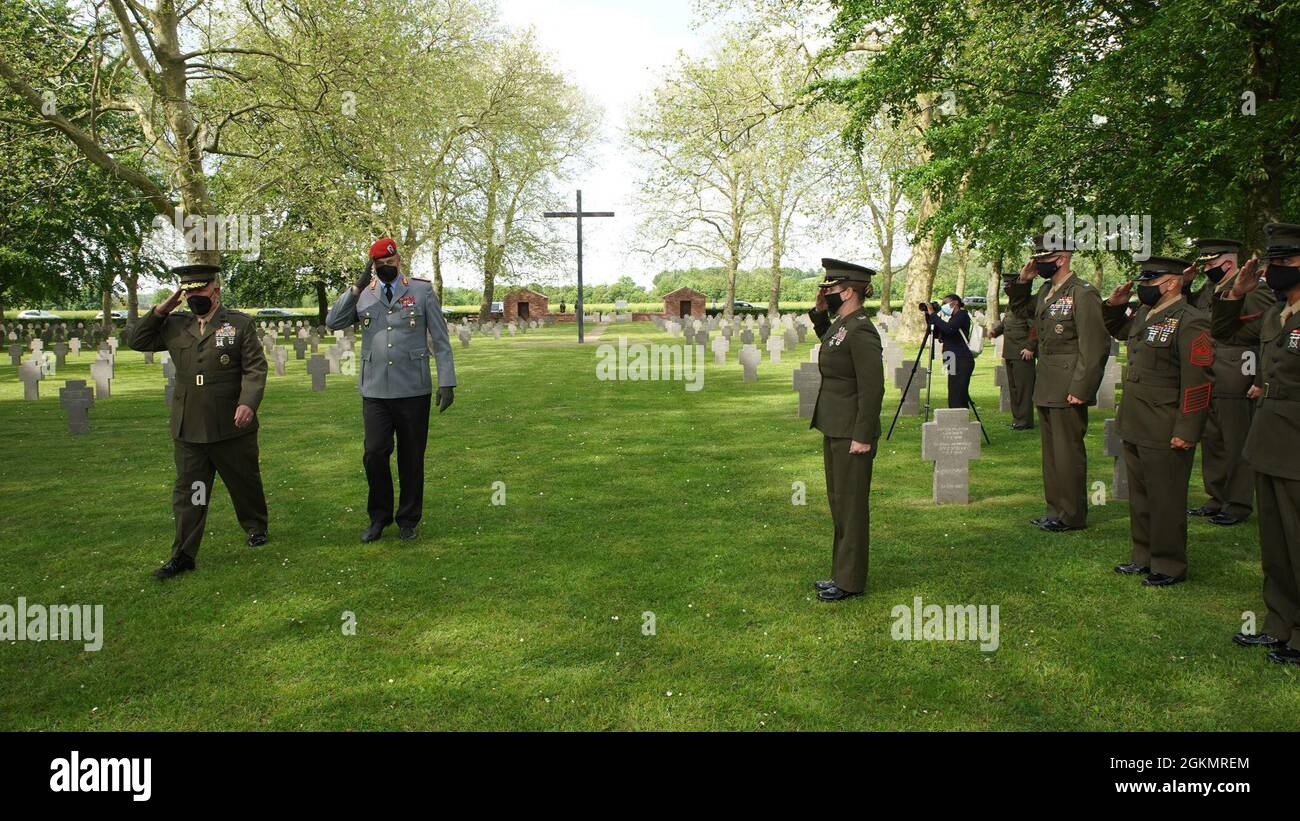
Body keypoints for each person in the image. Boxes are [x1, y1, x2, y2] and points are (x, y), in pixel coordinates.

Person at [127, 263, 269, 579]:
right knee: (192, 491)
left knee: (243, 481)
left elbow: (255, 369)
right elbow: (136, 340)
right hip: (190, 427)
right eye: (188, 291)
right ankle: (184, 555)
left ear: (215, 291)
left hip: (231, 425)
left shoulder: (238, 325)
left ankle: (255, 526)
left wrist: (248, 403)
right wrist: (161, 310)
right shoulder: (175, 325)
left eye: (199, 290)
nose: (193, 297)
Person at [326, 237, 456, 543]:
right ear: (373, 266)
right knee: (374, 453)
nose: (386, 268)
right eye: (379, 265)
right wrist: (356, 287)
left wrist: (447, 381)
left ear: (399, 261)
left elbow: (440, 340)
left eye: (390, 263)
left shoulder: (421, 291)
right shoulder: (364, 295)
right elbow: (333, 321)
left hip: (413, 389)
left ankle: (408, 519)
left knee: (411, 457)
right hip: (375, 391)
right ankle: (379, 517)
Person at [1215, 222, 1300, 665]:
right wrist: (1234, 292)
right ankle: (1278, 623)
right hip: (1268, 438)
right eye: (1273, 262)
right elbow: (1225, 334)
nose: (1276, 270)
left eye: (1286, 261)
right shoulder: (1275, 314)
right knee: (1276, 543)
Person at [1102, 257, 1214, 586]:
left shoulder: (1191, 320)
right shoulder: (1143, 313)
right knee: (1140, 496)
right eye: (1143, 280)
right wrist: (1113, 305)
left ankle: (1168, 564)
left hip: (1166, 424)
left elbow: (1199, 380)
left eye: (1151, 280)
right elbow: (1118, 330)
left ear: (1172, 283)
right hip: (1137, 419)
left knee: (1165, 499)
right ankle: (1143, 555)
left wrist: (1187, 429)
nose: (1143, 286)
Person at [1006, 235, 1110, 532]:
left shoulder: (1083, 292)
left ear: (1061, 259)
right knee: (1052, 455)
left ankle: (1072, 514)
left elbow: (1095, 346)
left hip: (1068, 385)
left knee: (1068, 454)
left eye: (1043, 259)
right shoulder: (1046, 291)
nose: (1037, 264)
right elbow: (1021, 311)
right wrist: (1022, 282)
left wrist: (1081, 388)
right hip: (1047, 381)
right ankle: (1055, 510)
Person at [805, 258, 884, 602]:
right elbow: (831, 345)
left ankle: (850, 580)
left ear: (850, 291)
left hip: (852, 431)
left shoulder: (862, 329)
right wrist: (820, 313)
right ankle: (840, 572)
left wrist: (863, 435)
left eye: (832, 289)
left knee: (851, 506)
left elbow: (873, 387)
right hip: (835, 425)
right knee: (839, 503)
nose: (827, 293)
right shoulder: (843, 325)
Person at [1184, 238, 1274, 526]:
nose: (1207, 268)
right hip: (1209, 371)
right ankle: (1217, 496)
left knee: (1236, 442)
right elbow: (1195, 319)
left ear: (1228, 262)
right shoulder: (1210, 289)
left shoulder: (1255, 289)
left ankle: (1237, 503)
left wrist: (1261, 378)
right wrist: (1185, 287)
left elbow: (1268, 334)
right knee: (1212, 440)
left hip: (1238, 371)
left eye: (1210, 263)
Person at [990, 272, 1037, 429]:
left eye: (1009, 285)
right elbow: (1005, 323)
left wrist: (1030, 347)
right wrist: (995, 332)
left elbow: (1035, 327)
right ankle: (1017, 419)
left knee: (1024, 389)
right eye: (1005, 285)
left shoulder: (1028, 303)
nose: (1006, 288)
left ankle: (1025, 421)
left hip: (1022, 353)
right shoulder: (1012, 304)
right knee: (1014, 388)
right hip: (1010, 352)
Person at [923, 293, 976, 410]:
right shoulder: (951, 318)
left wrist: (933, 314)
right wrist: (928, 315)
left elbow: (949, 329)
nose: (943, 306)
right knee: (953, 389)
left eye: (945, 303)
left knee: (959, 391)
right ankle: (954, 414)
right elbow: (937, 333)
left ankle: (960, 418)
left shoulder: (962, 315)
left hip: (961, 358)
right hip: (950, 357)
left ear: (955, 303)